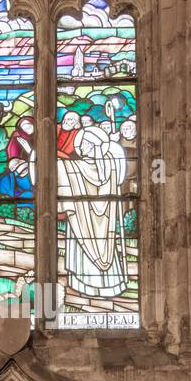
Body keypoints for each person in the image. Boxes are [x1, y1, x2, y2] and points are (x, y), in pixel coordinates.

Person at [56, 98, 128, 298]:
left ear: (95, 145)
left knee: (86, 245)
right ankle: (93, 285)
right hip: (97, 222)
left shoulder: (78, 166)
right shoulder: (108, 166)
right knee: (100, 247)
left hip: (86, 220)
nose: (82, 148)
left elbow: (64, 168)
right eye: (82, 144)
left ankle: (90, 285)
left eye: (86, 144)